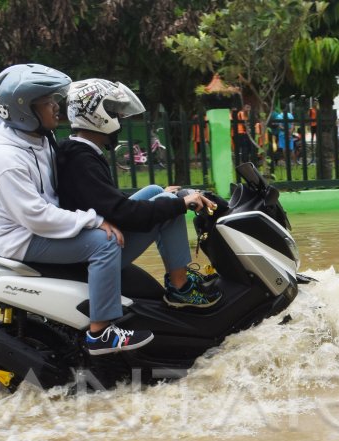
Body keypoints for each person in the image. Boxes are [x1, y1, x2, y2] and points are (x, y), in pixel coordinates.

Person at [0, 63, 152, 356]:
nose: (56, 108)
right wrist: (93, 221)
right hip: (21, 239)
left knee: (145, 201)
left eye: (54, 100)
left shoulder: (38, 139)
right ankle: (101, 332)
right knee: (105, 244)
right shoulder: (6, 159)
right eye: (47, 103)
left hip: (38, 227)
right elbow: (36, 217)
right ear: (24, 111)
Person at [55, 78, 221, 309]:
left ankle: (179, 278)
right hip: (91, 252)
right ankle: (181, 288)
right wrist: (180, 204)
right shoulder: (81, 160)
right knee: (168, 205)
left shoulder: (77, 149)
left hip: (88, 232)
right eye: (113, 112)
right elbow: (123, 214)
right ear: (97, 114)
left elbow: (102, 202)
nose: (119, 119)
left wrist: (165, 198)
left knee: (155, 192)